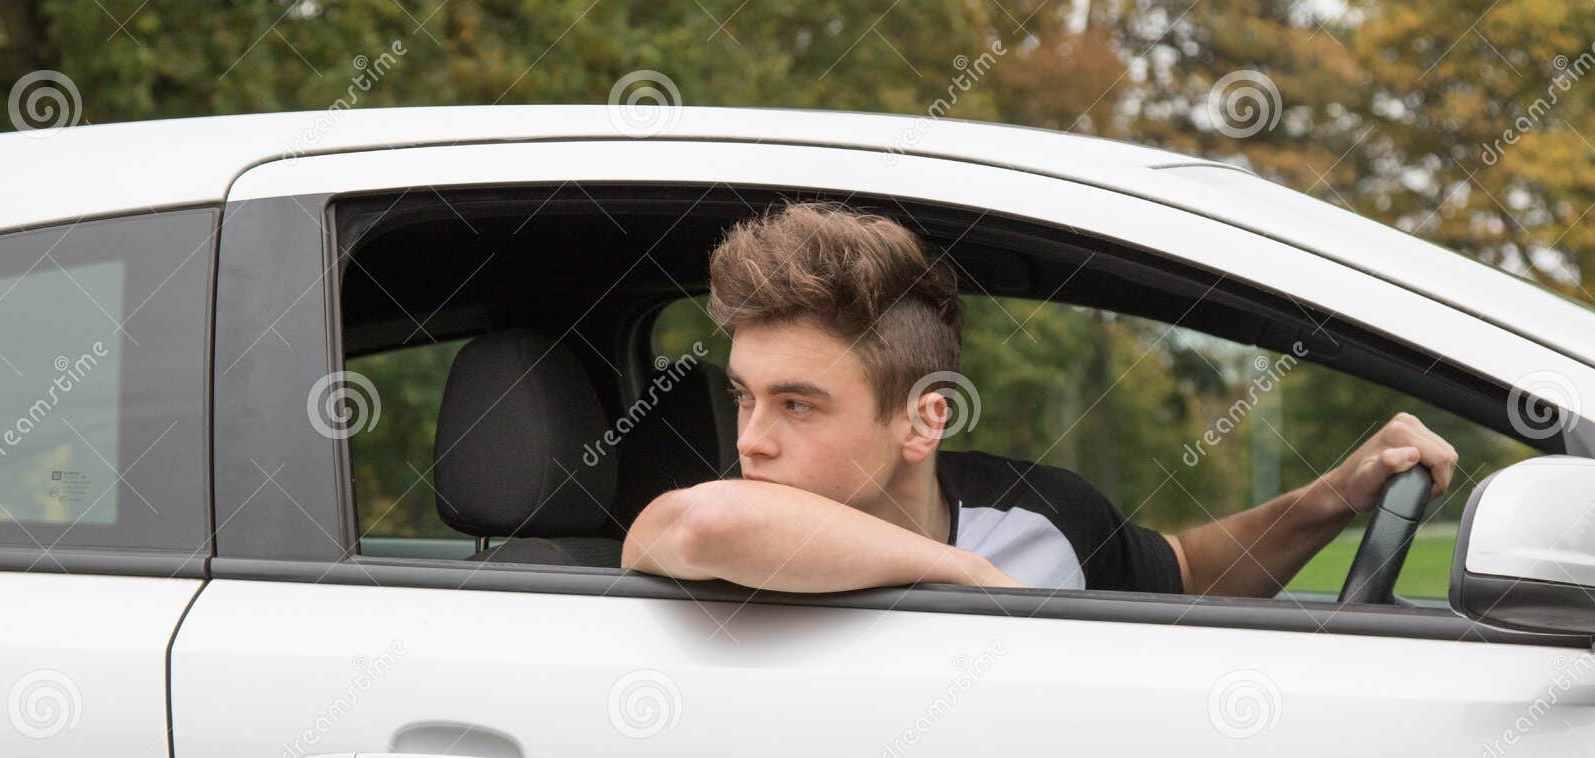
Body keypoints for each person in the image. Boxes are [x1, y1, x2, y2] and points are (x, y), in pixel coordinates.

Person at [622, 201, 1458, 595]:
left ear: (924, 419)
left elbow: (1194, 573)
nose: (754, 440)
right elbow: (704, 525)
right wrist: (965, 576)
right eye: (745, 398)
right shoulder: (717, 522)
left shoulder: (1040, 518)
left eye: (797, 404)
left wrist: (1332, 495)